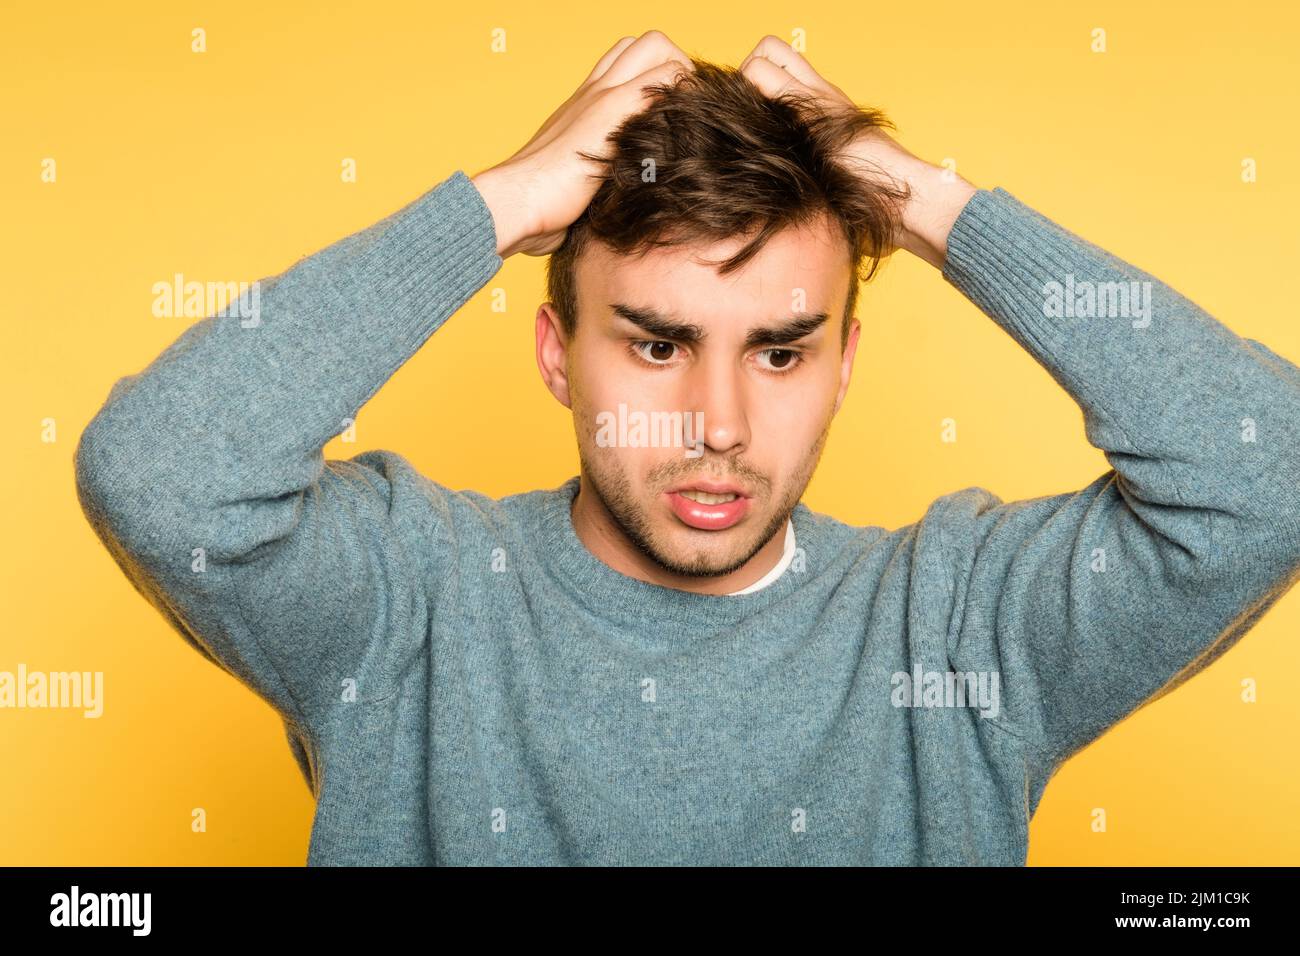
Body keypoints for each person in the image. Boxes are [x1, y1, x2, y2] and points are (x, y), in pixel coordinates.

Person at [74, 31, 1300, 865]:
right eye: (657, 344)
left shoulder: (961, 626)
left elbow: (1266, 470)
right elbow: (162, 469)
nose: (717, 423)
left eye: (779, 351)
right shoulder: (412, 598)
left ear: (844, 365)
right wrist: (499, 202)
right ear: (557, 353)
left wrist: (913, 195)